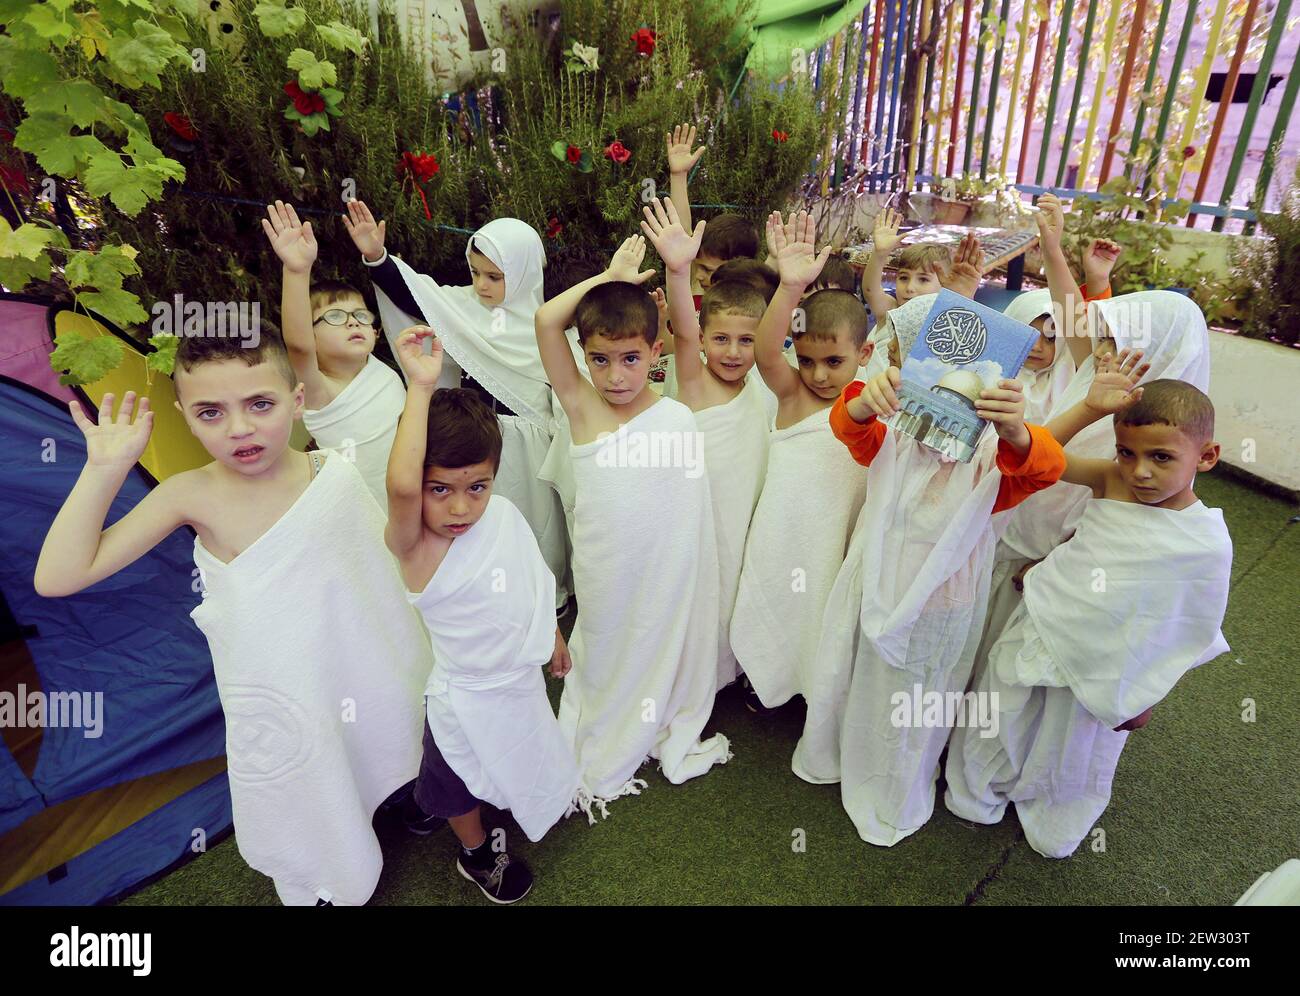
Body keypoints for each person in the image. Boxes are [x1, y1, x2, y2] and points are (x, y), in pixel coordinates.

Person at [34, 331, 428, 905]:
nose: (239, 429)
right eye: (211, 412)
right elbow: (57, 577)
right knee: (312, 775)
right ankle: (334, 861)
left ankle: (399, 795)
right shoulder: (187, 493)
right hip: (283, 690)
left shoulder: (332, 472)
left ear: (296, 401)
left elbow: (373, 579)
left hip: (354, 666)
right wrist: (106, 467)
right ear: (185, 418)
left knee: (377, 736)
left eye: (260, 404)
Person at [793, 291, 1067, 846]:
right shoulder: (893, 433)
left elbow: (1044, 469)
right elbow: (850, 427)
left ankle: (893, 783)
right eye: (902, 362)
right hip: (872, 580)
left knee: (913, 696)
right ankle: (839, 753)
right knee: (857, 673)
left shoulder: (994, 452)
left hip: (941, 602)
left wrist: (1014, 430)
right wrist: (864, 402)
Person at [946, 366, 1232, 858]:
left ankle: (1051, 811)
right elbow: (1037, 458)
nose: (1139, 471)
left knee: (1068, 740)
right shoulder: (1110, 479)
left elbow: (1184, 626)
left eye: (1161, 457)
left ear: (1206, 456)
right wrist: (1041, 423)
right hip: (1044, 619)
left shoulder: (1205, 543)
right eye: (1127, 452)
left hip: (1108, 664)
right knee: (1001, 708)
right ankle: (975, 794)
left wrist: (1147, 696)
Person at [534, 235, 731, 815]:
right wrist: (607, 279)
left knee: (655, 640)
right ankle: (612, 713)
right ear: (585, 356)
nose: (615, 375)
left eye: (630, 359)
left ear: (655, 351)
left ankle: (660, 707)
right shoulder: (580, 404)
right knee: (612, 645)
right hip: (604, 568)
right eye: (599, 359)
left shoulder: (674, 410)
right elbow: (548, 322)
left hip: (666, 572)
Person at [384, 325, 580, 903]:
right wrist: (420, 387)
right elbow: (400, 486)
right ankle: (475, 853)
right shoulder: (416, 544)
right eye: (439, 490)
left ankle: (446, 805)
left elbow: (531, 581)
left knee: (517, 750)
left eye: (478, 486)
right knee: (454, 783)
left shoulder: (502, 518)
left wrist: (551, 632)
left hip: (514, 680)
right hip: (463, 696)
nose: (461, 506)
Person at [344, 201, 571, 609]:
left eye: (495, 277)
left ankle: (542, 596)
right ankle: (485, 592)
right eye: (475, 273)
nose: (482, 285)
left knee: (533, 521)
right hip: (479, 441)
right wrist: (377, 258)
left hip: (528, 445)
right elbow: (415, 298)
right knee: (480, 517)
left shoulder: (544, 322)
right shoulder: (461, 306)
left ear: (523, 273)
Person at [729, 210, 871, 713]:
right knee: (776, 597)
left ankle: (813, 684)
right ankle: (760, 674)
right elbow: (768, 353)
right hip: (783, 530)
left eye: (834, 362)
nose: (817, 374)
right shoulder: (793, 394)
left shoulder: (873, 400)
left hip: (835, 533)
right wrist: (789, 287)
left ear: (865, 353)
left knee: (822, 609)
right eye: (806, 359)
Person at [641, 197, 772, 688]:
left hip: (743, 519)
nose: (733, 352)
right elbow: (682, 321)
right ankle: (693, 675)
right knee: (702, 595)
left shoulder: (762, 383)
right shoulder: (694, 381)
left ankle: (727, 666)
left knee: (733, 588)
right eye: (721, 340)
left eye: (746, 340)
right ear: (702, 338)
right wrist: (678, 270)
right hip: (701, 521)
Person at [261, 200, 405, 509]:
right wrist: (296, 270)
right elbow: (297, 345)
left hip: (412, 502)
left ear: (376, 331)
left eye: (361, 315)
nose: (353, 321)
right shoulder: (320, 390)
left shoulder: (384, 370)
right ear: (312, 337)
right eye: (335, 317)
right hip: (360, 510)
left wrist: (378, 257)